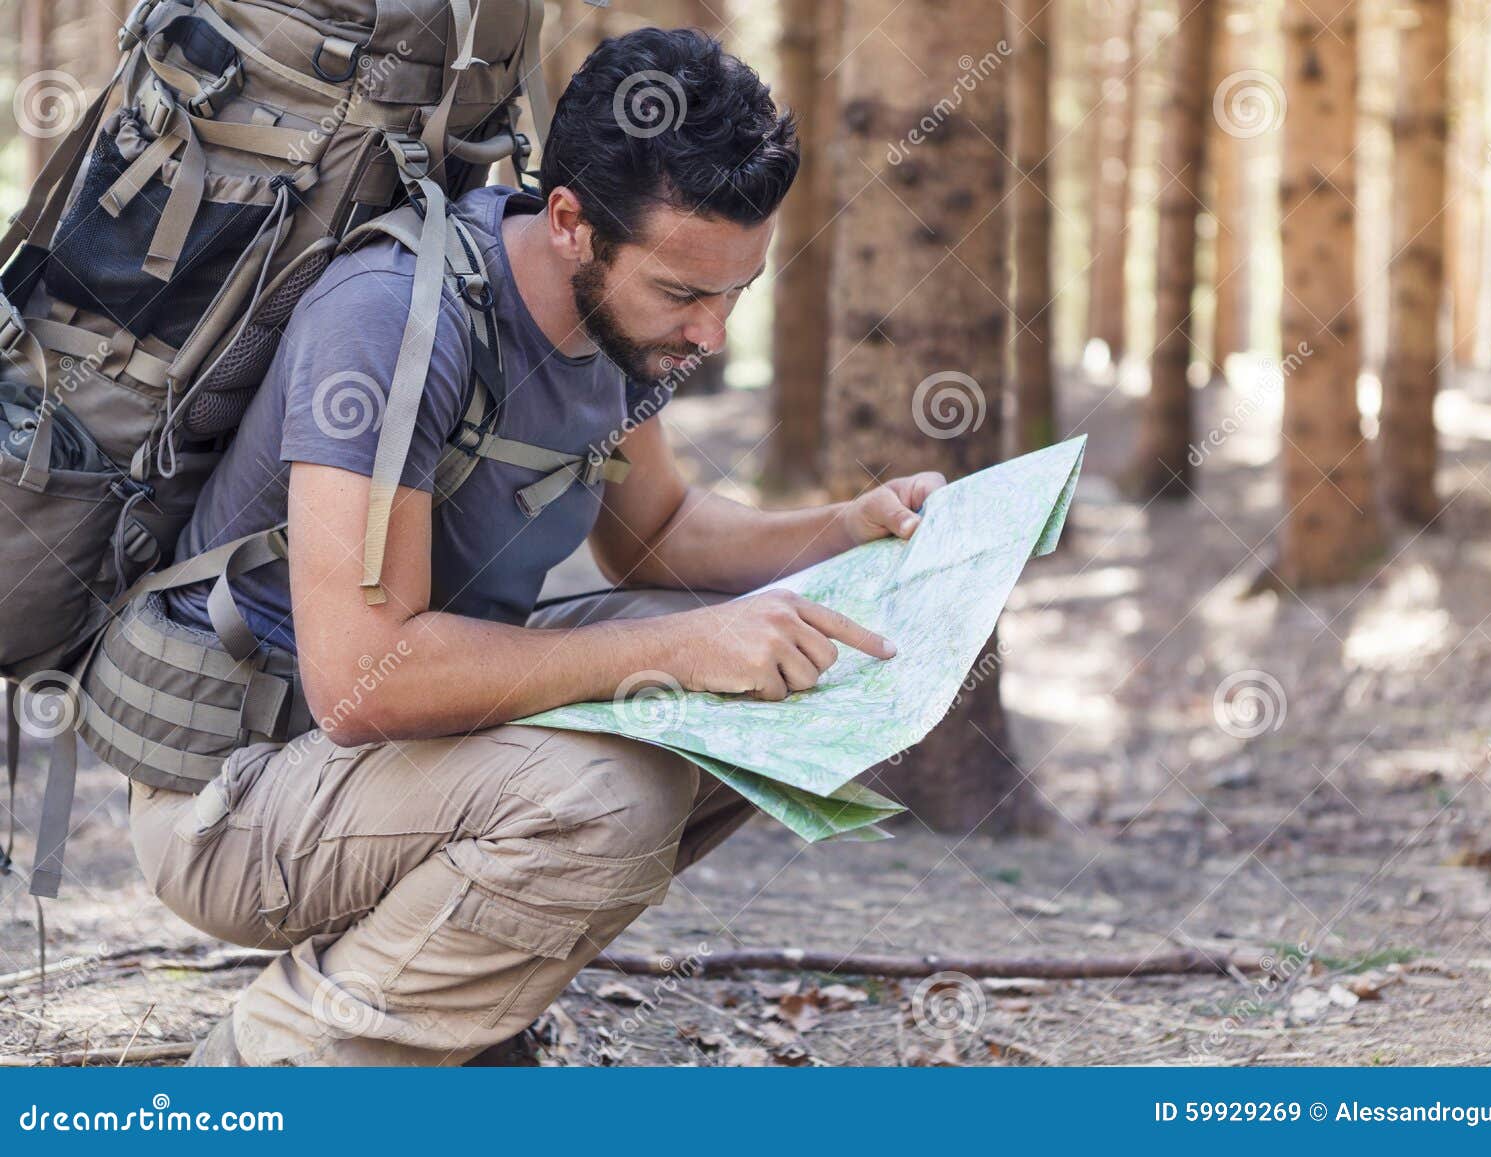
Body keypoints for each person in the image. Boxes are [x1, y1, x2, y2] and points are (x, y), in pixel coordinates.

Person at [128, 27, 946, 1065]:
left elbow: (657, 535)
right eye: (684, 293)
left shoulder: (614, 323)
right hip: (236, 792)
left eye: (736, 291)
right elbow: (362, 680)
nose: (711, 336)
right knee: (609, 794)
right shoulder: (392, 319)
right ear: (569, 222)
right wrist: (685, 649)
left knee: (783, 672)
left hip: (400, 760)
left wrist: (846, 528)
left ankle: (453, 1010)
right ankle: (265, 1075)